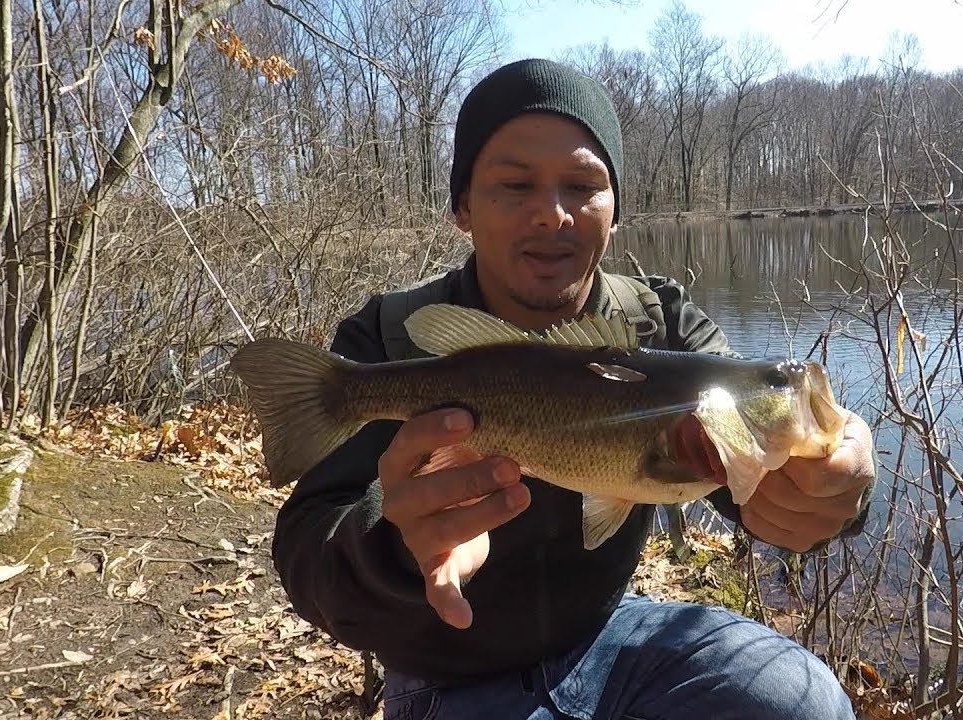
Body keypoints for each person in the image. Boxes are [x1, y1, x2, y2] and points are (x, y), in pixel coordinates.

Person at [271, 58, 877, 720]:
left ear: (615, 210)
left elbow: (756, 478)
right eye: (513, 185)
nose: (552, 214)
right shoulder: (385, 343)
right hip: (449, 672)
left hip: (610, 636)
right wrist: (392, 548)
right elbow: (306, 555)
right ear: (463, 207)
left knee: (809, 703)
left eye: (584, 185)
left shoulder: (664, 328)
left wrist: (833, 493)